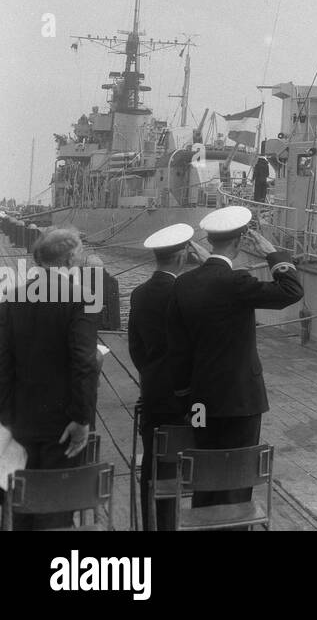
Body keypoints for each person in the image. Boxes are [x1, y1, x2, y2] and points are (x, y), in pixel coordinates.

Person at [167, 205, 303, 508]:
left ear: (209, 239)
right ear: (240, 242)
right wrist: (273, 253)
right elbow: (291, 291)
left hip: (200, 400)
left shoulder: (182, 285)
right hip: (242, 400)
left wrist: (185, 397)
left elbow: (177, 349)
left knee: (205, 469)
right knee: (237, 476)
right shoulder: (238, 283)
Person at [0, 227, 99, 529]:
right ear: (70, 257)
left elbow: (3, 366)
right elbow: (83, 362)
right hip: (63, 426)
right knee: (56, 510)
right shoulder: (80, 297)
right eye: (79, 252)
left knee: (22, 506)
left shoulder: (11, 298)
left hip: (22, 422)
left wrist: (7, 420)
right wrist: (82, 420)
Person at [130, 223, 192, 531]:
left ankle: (154, 526)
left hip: (153, 393)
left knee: (153, 464)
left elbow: (135, 347)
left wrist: (152, 375)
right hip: (187, 397)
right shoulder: (185, 292)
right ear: (182, 257)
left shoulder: (139, 294)